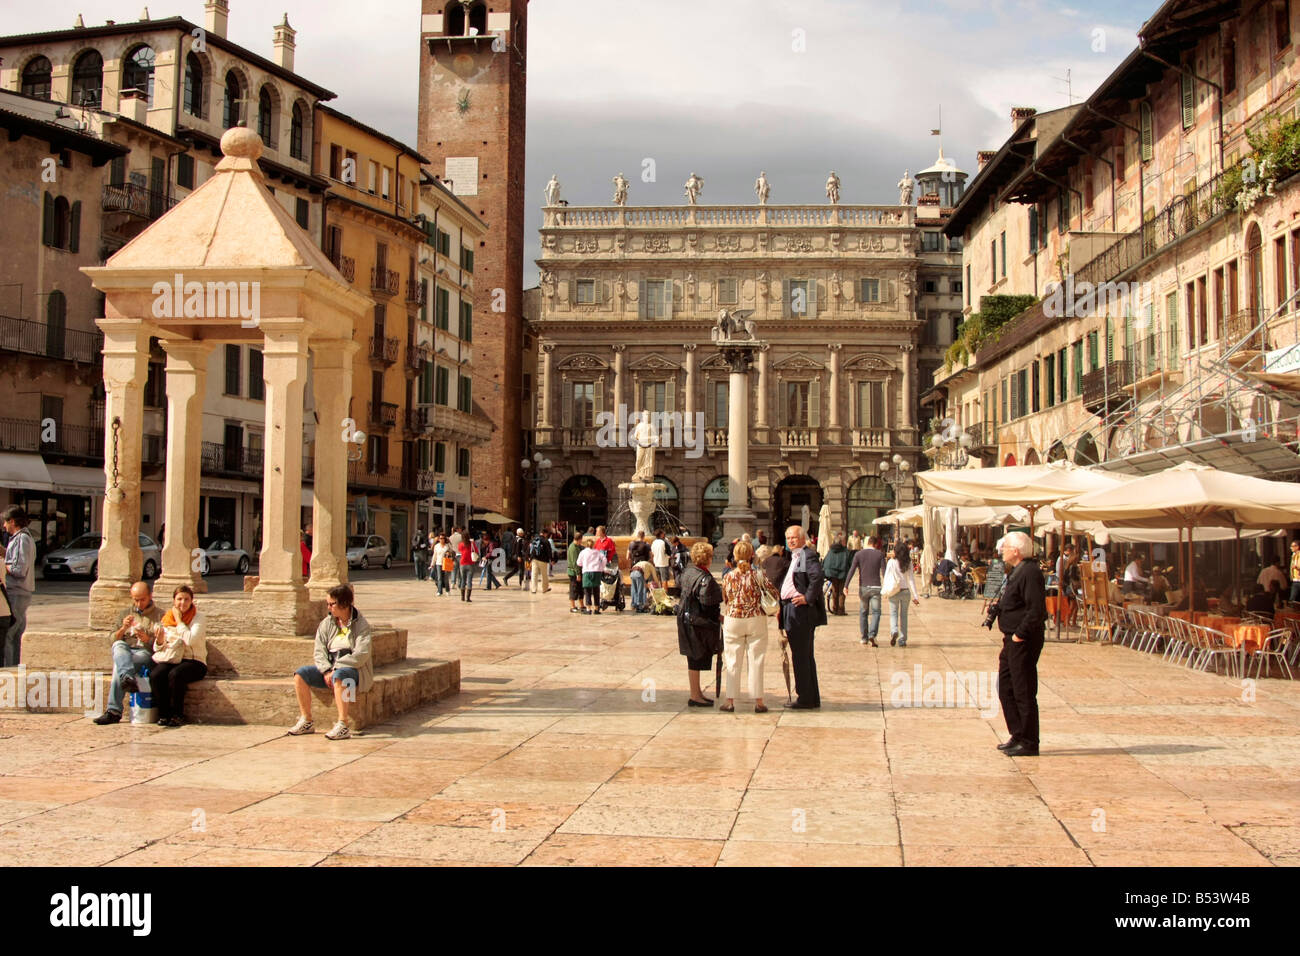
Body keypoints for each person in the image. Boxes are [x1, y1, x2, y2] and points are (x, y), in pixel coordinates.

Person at [287, 584, 372, 740]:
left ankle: (343, 724)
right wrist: (326, 670)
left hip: (353, 669)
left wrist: (337, 668)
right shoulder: (327, 623)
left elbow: (362, 653)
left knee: (341, 676)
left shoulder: (361, 625)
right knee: (300, 674)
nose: (329, 608)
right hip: (329, 667)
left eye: (332, 604)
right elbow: (319, 650)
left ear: (344, 604)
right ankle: (306, 720)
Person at [992, 531, 1046, 757]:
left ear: (1016, 551)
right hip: (1011, 639)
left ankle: (1030, 741)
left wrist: (1019, 635)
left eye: (1004, 547)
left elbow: (1036, 611)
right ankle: (1017, 732)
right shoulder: (1016, 571)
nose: (1001, 550)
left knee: (1023, 689)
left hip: (1022, 639)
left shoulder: (1031, 572)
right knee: (1005, 686)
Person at [92, 581, 164, 724]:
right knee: (119, 645)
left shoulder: (160, 615)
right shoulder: (125, 613)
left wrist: (148, 639)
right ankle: (127, 678)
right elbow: (112, 640)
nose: (138, 603)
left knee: (119, 667)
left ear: (150, 596)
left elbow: (163, 645)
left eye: (142, 599)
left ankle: (113, 710)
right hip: (125, 651)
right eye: (135, 600)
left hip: (144, 652)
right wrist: (123, 629)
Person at [720, 540, 776, 713]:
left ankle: (730, 701)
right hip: (755, 619)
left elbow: (726, 598)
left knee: (732, 660)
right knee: (756, 659)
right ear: (752, 555)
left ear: (735, 556)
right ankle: (758, 701)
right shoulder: (759, 575)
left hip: (733, 619)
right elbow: (773, 593)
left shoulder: (728, 576)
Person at [779, 525, 825, 709]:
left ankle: (805, 697)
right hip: (791, 609)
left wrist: (807, 598)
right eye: (788, 538)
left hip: (799, 611)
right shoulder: (797, 556)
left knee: (800, 655)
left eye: (794, 538)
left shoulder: (806, 555)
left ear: (803, 538)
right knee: (805, 655)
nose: (791, 541)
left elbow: (817, 577)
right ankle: (811, 696)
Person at [148, 585, 207, 727]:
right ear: (174, 601)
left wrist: (179, 621)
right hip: (173, 658)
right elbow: (158, 647)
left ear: (192, 601)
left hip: (194, 661)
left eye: (186, 599)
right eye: (179, 599)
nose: (183, 603)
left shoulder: (198, 618)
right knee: (156, 675)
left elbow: (189, 639)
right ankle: (163, 714)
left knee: (176, 675)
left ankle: (178, 714)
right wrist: (160, 639)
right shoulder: (168, 618)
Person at [677, 541, 723, 706]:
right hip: (697, 621)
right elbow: (706, 602)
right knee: (696, 657)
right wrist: (717, 616)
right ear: (708, 558)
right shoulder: (704, 578)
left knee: (692, 658)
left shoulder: (688, 571)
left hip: (685, 618)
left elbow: (678, 585)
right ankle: (695, 696)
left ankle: (696, 692)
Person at [2, 505, 35, 667]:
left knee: (8, 634)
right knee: (15, 635)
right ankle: (14, 666)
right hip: (22, 592)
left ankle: (8, 669)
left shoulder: (22, 539)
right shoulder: (23, 538)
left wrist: (2, 565)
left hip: (17, 592)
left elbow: (18, 569)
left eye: (5, 522)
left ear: (12, 521)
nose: (4, 526)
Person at [845, 534, 886, 646]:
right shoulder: (880, 554)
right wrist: (887, 588)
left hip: (863, 588)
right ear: (876, 544)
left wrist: (846, 585)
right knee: (876, 612)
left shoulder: (859, 554)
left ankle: (864, 637)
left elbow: (852, 570)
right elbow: (884, 572)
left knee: (863, 613)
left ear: (867, 543)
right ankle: (872, 634)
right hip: (876, 587)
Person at [883, 542, 920, 646]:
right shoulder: (909, 562)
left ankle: (894, 630)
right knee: (904, 616)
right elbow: (911, 580)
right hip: (905, 591)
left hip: (894, 591)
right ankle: (902, 639)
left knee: (893, 613)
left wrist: (885, 591)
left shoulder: (891, 562)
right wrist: (916, 596)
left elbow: (886, 577)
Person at [576, 537, 608, 614]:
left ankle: (588, 609)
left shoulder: (583, 552)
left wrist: (583, 564)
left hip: (587, 572)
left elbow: (578, 563)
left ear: (586, 545)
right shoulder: (597, 552)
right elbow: (604, 559)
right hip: (597, 571)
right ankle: (596, 609)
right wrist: (601, 567)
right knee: (596, 590)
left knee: (587, 591)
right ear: (593, 545)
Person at [822, 532, 851, 615]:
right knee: (842, 591)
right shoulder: (845, 551)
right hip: (843, 572)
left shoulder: (830, 551)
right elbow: (849, 561)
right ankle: (841, 610)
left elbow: (826, 562)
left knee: (835, 590)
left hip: (832, 573)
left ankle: (835, 608)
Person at [529, 529, 553, 594]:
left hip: (534, 559)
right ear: (545, 533)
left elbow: (530, 549)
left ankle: (534, 589)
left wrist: (530, 558)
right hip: (543, 560)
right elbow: (549, 551)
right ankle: (544, 589)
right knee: (544, 575)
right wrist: (551, 559)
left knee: (534, 574)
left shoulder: (534, 539)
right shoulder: (546, 541)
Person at [566, 530, 585, 614]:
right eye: (581, 540)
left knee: (580, 588)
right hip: (573, 572)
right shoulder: (573, 548)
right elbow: (575, 562)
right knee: (573, 589)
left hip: (578, 572)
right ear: (579, 539)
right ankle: (572, 606)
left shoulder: (577, 546)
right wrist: (578, 574)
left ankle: (581, 605)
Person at [457, 533, 478, 602]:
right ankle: (468, 598)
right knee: (469, 581)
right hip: (470, 564)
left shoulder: (461, 544)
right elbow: (476, 551)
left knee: (463, 580)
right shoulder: (472, 543)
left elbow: (459, 550)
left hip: (462, 563)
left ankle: (462, 597)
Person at [1290, 540, 1300, 604]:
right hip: (1295, 580)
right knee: (1294, 599)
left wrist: (1296, 566)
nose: (1291, 548)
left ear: (1297, 547)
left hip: (1298, 579)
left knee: (1292, 600)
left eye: (1292, 546)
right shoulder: (1294, 555)